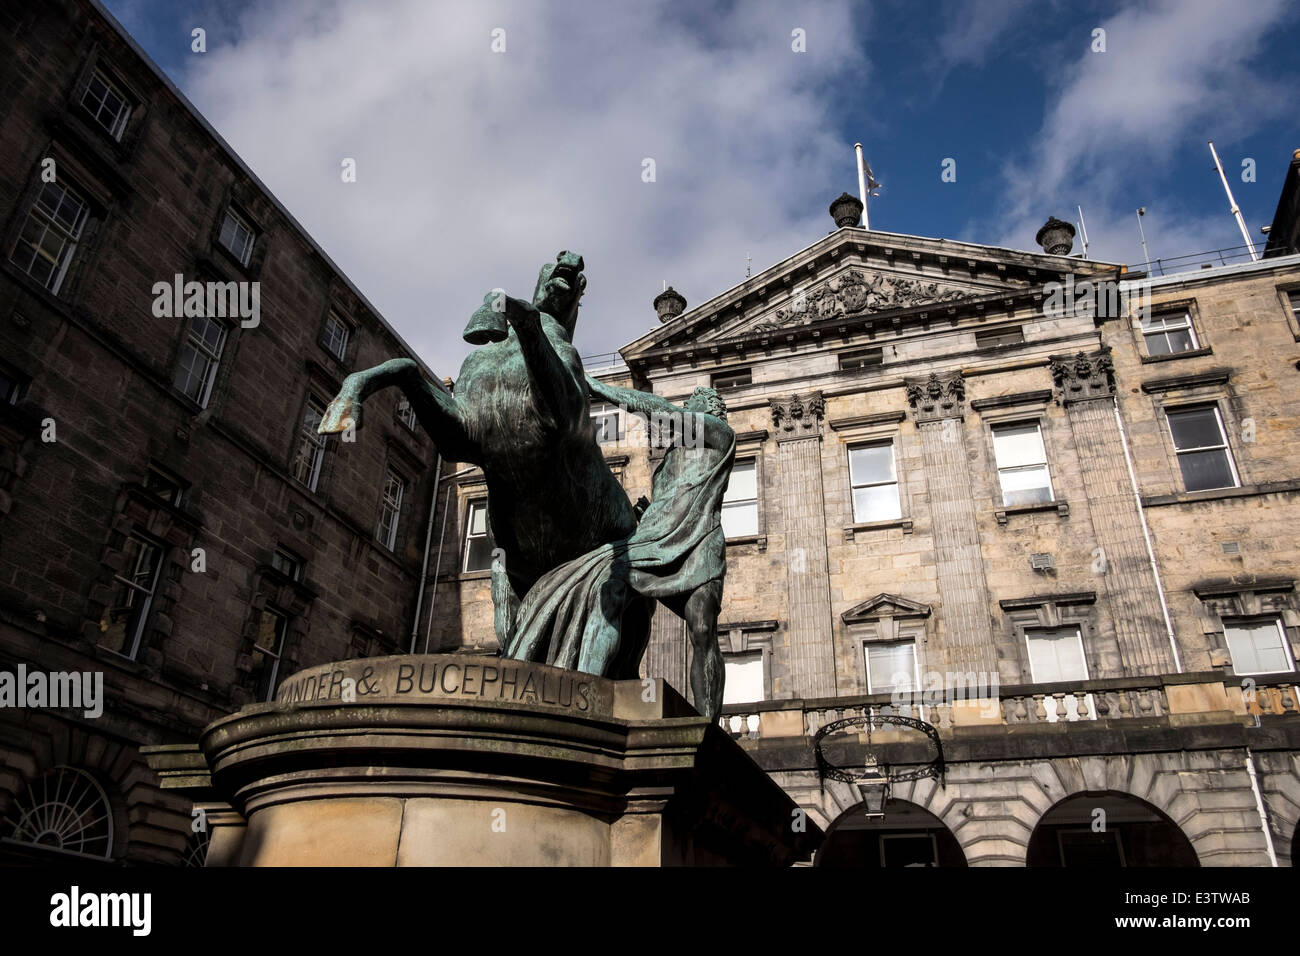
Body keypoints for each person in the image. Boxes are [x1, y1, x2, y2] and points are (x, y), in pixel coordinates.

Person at [503, 380, 736, 721]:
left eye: (693, 403)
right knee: (607, 589)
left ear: (709, 409)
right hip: (654, 541)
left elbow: (661, 411)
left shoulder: (719, 435)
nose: (686, 408)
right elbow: (672, 499)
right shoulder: (672, 456)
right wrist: (646, 514)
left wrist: (596, 387)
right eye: (687, 404)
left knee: (702, 629)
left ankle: (709, 724)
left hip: (699, 545)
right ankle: (586, 688)